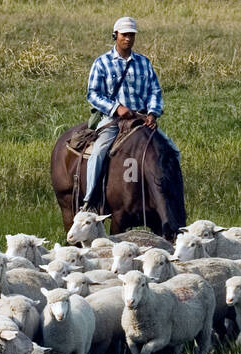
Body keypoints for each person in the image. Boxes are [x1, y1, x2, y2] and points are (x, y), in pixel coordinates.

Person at [79, 16, 181, 213]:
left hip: (141, 119)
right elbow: (92, 94)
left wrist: (152, 113)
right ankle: (90, 200)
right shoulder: (102, 63)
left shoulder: (144, 62)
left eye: (131, 35)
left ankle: (173, 200)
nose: (128, 39)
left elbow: (155, 91)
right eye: (124, 35)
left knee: (172, 151)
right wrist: (116, 108)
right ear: (115, 36)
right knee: (99, 152)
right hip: (113, 119)